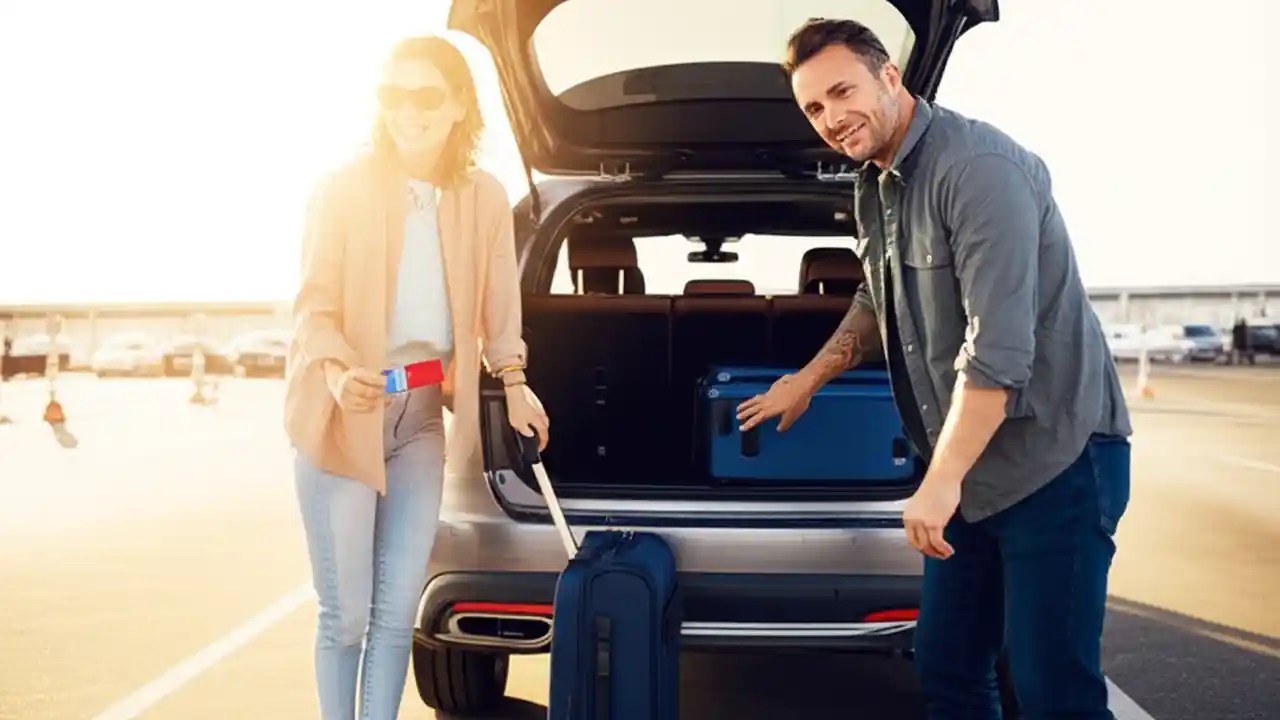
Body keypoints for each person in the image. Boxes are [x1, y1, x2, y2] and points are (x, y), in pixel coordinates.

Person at [736, 18, 1133, 719]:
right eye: (815, 108)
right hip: (970, 476)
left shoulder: (978, 171)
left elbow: (1000, 349)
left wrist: (938, 483)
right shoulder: (876, 181)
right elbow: (875, 296)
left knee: (1053, 694)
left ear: (891, 76)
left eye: (841, 92)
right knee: (948, 671)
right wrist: (807, 379)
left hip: (1055, 463)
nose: (831, 118)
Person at [283, 35, 550, 720]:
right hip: (342, 412)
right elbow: (312, 309)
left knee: (398, 612)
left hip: (423, 416)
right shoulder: (343, 188)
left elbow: (499, 307)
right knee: (345, 615)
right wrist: (341, 374)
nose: (408, 111)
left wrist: (514, 381)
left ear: (460, 104)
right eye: (393, 95)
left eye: (425, 95)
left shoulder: (483, 196)